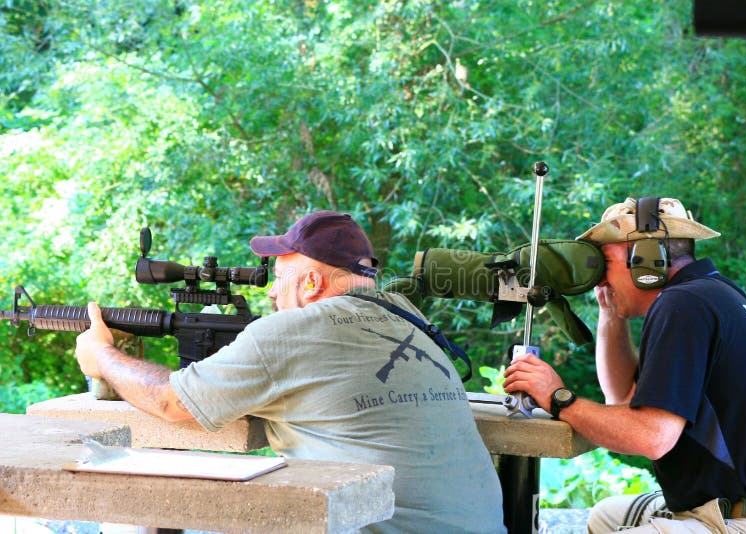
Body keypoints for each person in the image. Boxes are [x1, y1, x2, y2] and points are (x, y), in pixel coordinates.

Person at [75, 210, 505, 534]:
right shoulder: (405, 312)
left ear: (313, 284)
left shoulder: (294, 330)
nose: (272, 292)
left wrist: (103, 357)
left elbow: (173, 402)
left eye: (280, 278)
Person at [503, 197, 746, 533]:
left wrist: (559, 398)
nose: (599, 279)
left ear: (645, 258)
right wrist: (610, 311)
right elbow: (624, 400)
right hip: (739, 506)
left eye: (604, 263)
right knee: (605, 515)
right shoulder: (709, 294)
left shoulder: (683, 304)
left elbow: (651, 437)